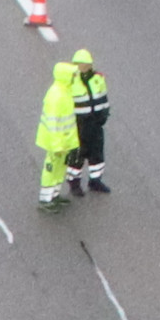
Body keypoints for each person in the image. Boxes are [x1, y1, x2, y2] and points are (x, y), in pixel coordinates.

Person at [37, 48, 108, 205]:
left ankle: (55, 195)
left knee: (94, 155)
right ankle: (50, 197)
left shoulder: (95, 79)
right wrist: (58, 144)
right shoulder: (60, 94)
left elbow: (102, 97)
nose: (79, 70)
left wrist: (103, 116)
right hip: (69, 135)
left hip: (83, 130)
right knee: (61, 165)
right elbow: (55, 123)